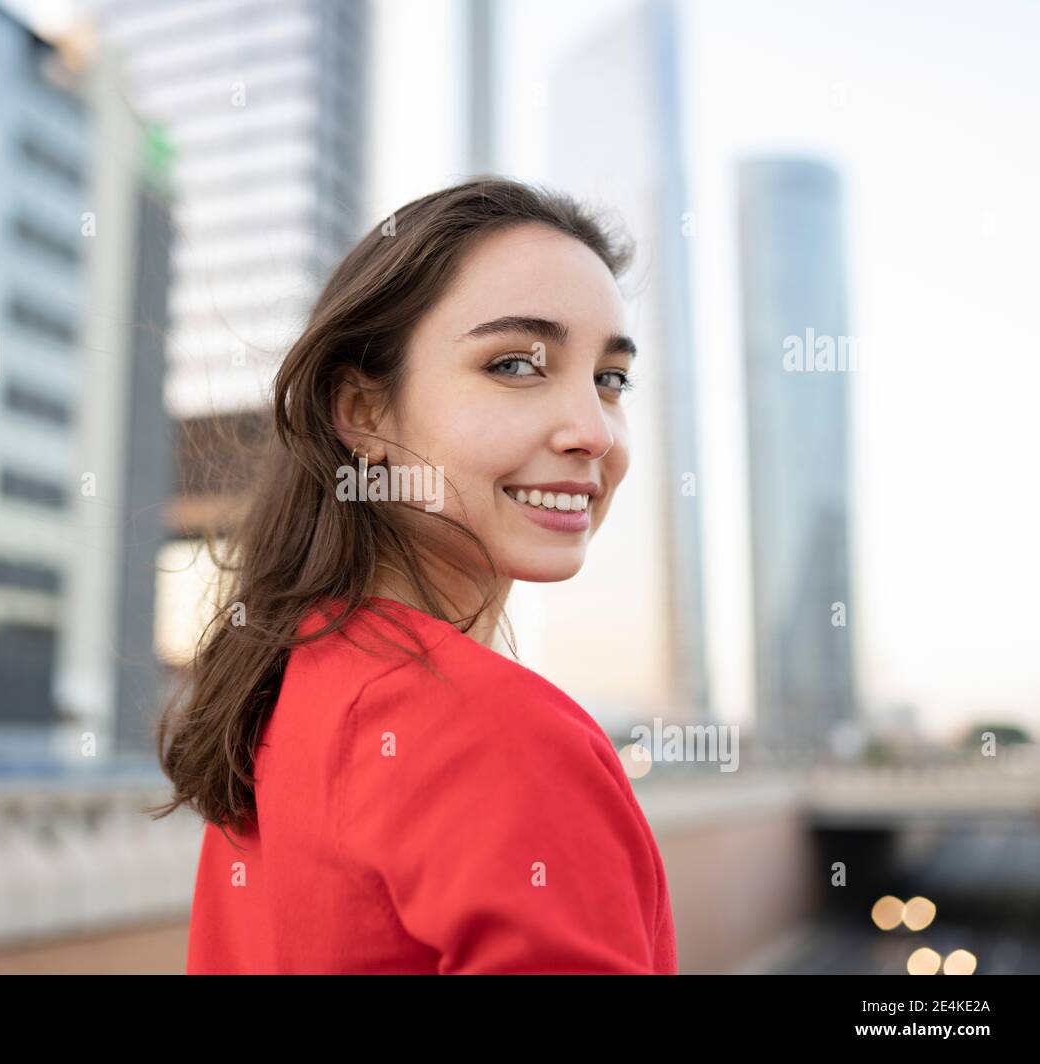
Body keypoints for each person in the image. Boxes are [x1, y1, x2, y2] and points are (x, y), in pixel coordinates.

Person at [150, 176, 678, 974]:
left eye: (611, 378)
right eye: (514, 365)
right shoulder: (502, 737)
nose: (593, 431)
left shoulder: (279, 689)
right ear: (363, 414)